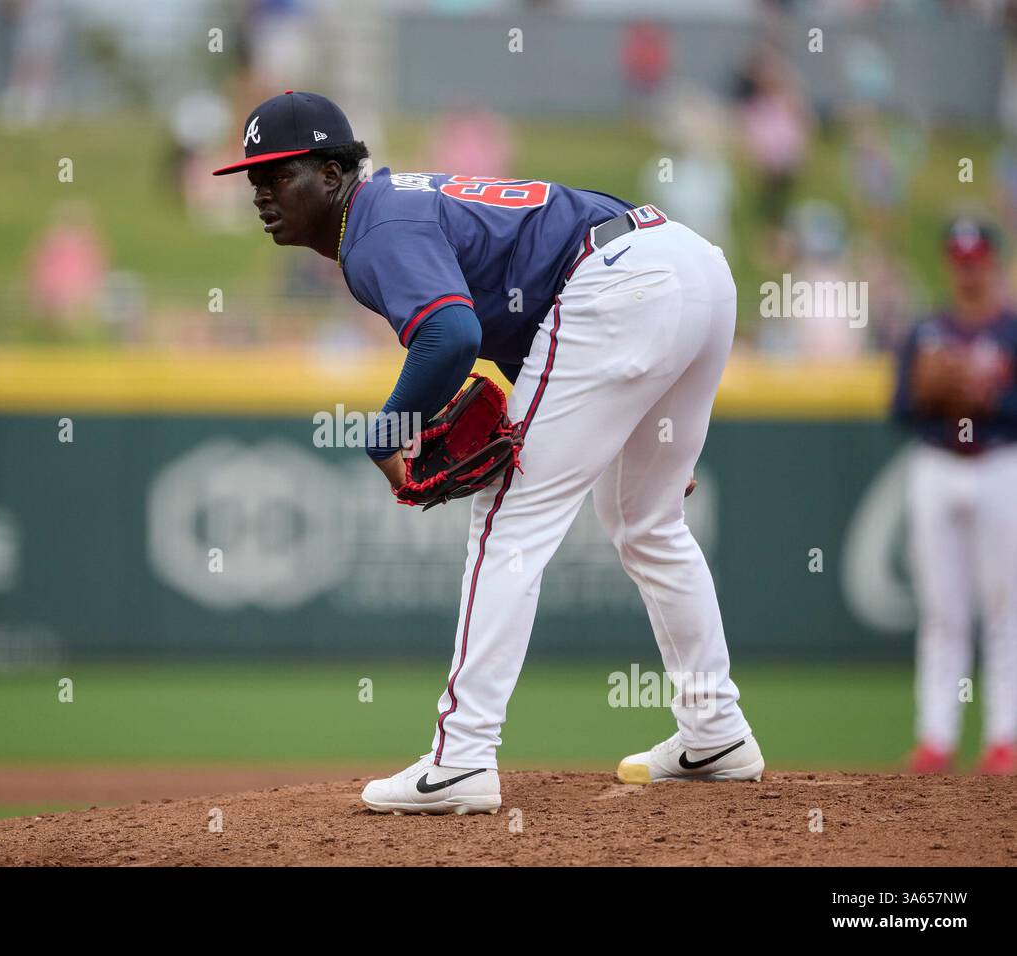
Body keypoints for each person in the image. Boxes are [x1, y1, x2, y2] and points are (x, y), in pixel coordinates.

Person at [214, 91, 764, 814]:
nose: (261, 193)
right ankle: (716, 728)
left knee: (507, 521)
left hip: (620, 285)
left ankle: (462, 758)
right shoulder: (399, 207)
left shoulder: (374, 226)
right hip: (687, 270)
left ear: (332, 170)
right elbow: (519, 316)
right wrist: (642, 420)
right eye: (254, 178)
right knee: (646, 519)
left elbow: (452, 338)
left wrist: (384, 431)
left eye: (278, 174)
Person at [892, 217, 1017, 776]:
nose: (968, 270)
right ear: (950, 262)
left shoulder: (1011, 331)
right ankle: (936, 739)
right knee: (942, 610)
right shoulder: (927, 333)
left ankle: (1003, 740)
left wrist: (986, 395)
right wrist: (934, 390)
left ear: (991, 261)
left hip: (999, 462)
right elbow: (898, 408)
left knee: (1004, 605)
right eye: (959, 259)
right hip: (938, 463)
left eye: (976, 259)